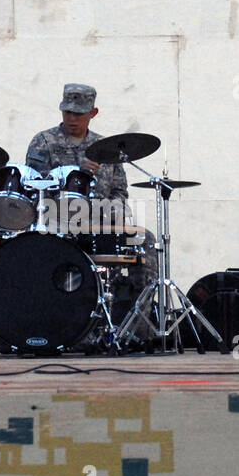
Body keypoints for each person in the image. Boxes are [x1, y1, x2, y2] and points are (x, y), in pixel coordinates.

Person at [25, 83, 157, 324]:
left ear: (93, 113)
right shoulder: (44, 142)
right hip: (59, 223)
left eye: (79, 114)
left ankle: (136, 329)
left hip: (100, 223)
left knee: (146, 241)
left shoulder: (106, 148)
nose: (72, 119)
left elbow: (119, 189)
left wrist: (117, 208)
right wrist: (73, 172)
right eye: (68, 113)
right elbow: (34, 186)